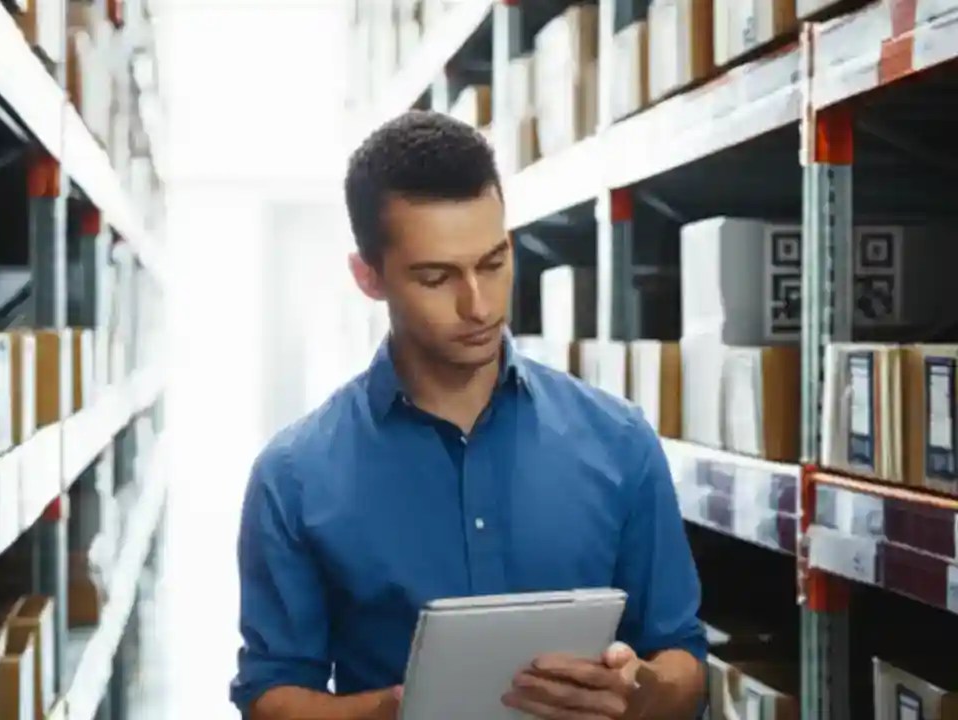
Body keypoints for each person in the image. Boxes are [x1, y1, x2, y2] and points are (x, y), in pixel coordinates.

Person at [230, 111, 706, 720]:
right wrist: (394, 713)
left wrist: (638, 692)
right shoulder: (293, 477)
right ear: (368, 277)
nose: (478, 306)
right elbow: (270, 696)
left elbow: (683, 656)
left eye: (493, 262)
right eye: (436, 277)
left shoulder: (620, 441)